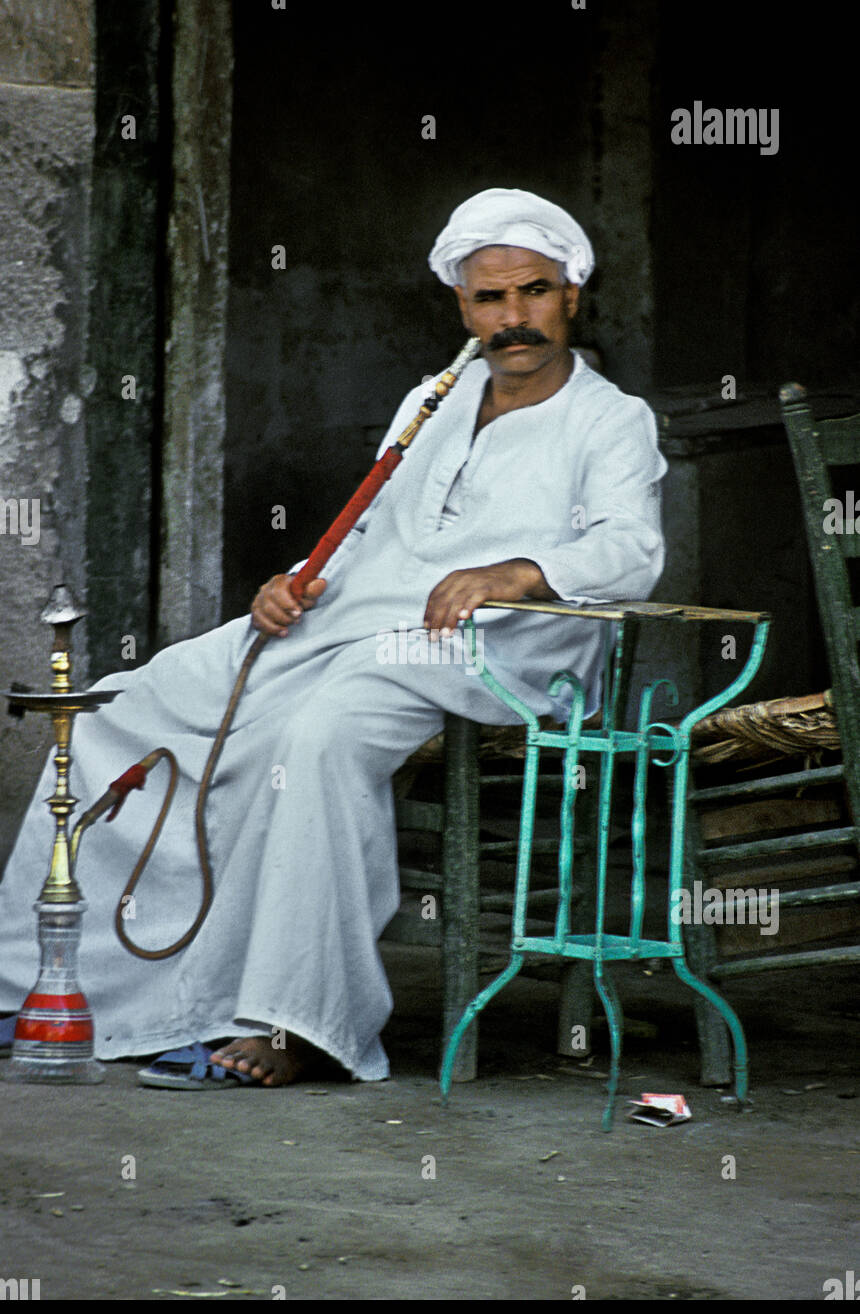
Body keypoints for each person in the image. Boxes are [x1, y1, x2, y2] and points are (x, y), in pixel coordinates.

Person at [0, 188, 666, 1088]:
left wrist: (515, 573)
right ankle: (47, 980)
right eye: (490, 300)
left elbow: (632, 550)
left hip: (505, 648)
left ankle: (302, 1020)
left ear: (573, 296)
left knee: (321, 732)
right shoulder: (431, 399)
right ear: (462, 307)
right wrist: (292, 584)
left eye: (534, 293)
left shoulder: (610, 417)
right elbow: (360, 537)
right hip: (354, 621)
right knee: (126, 701)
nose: (514, 319)